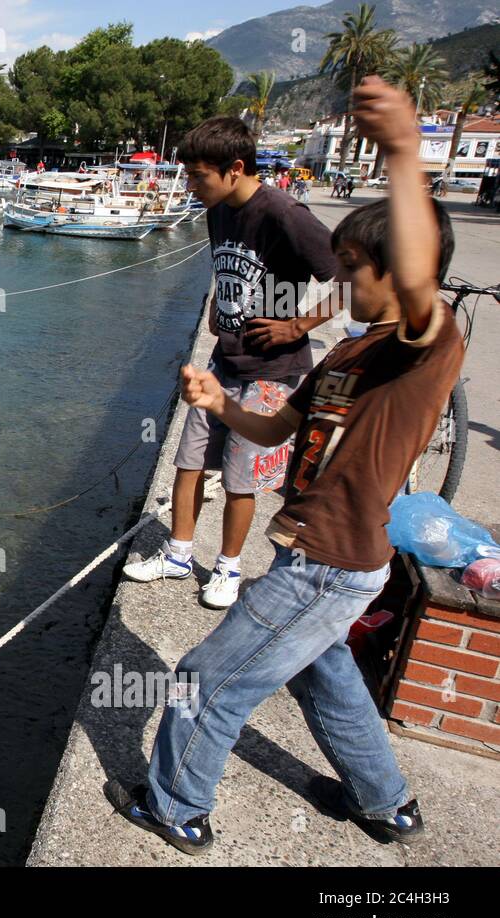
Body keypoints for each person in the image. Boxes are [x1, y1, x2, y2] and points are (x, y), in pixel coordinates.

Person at [106, 76, 462, 855]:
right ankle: (385, 802)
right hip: (315, 551)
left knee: (206, 682)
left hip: (331, 562)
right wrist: (215, 402)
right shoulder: (348, 352)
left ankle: (176, 808)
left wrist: (403, 149)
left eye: (356, 269)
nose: (345, 282)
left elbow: (418, 272)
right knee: (323, 670)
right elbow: (271, 430)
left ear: (392, 270)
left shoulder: (422, 351)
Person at [123, 116, 337, 609]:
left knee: (241, 478)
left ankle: (228, 567)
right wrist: (222, 310)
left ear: (235, 168)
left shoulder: (284, 212)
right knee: (190, 460)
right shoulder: (218, 210)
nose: (191, 186)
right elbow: (229, 267)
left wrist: (298, 326)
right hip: (225, 359)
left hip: (270, 370)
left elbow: (350, 276)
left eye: (198, 176)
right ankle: (177, 554)